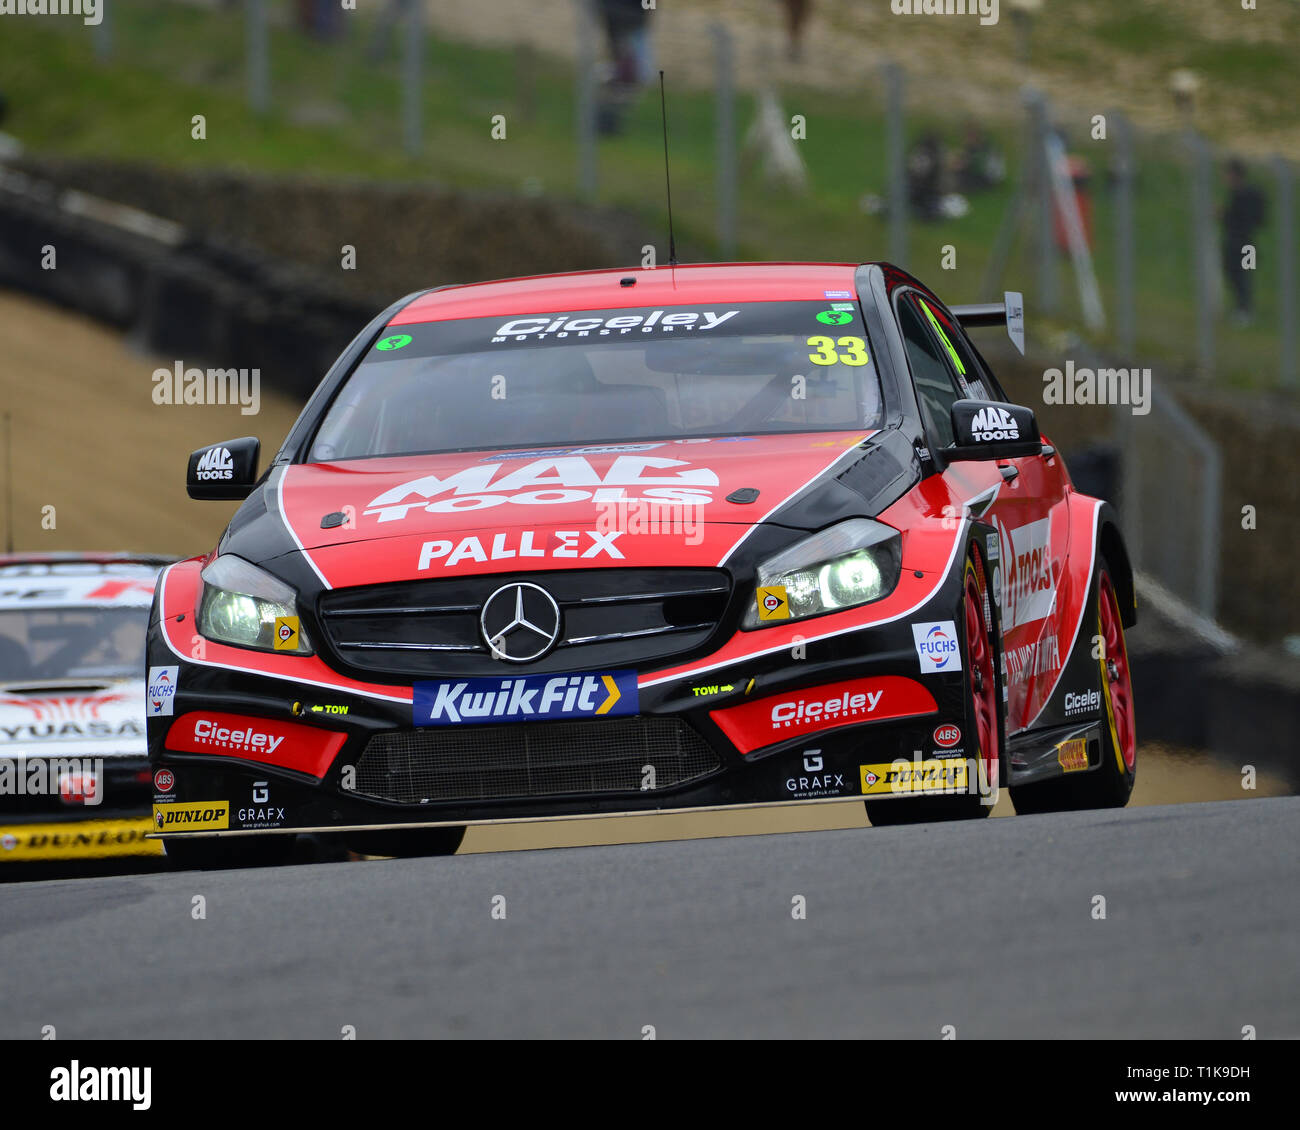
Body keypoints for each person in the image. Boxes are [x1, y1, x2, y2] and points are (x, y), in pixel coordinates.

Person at [1221, 159, 1267, 325]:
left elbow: (1236, 218)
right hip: (1250, 243)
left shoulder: (1241, 195)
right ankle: (1244, 308)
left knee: (1239, 275)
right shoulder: (1247, 193)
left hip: (1238, 243)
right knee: (1244, 275)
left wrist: (1223, 215)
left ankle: (1245, 310)